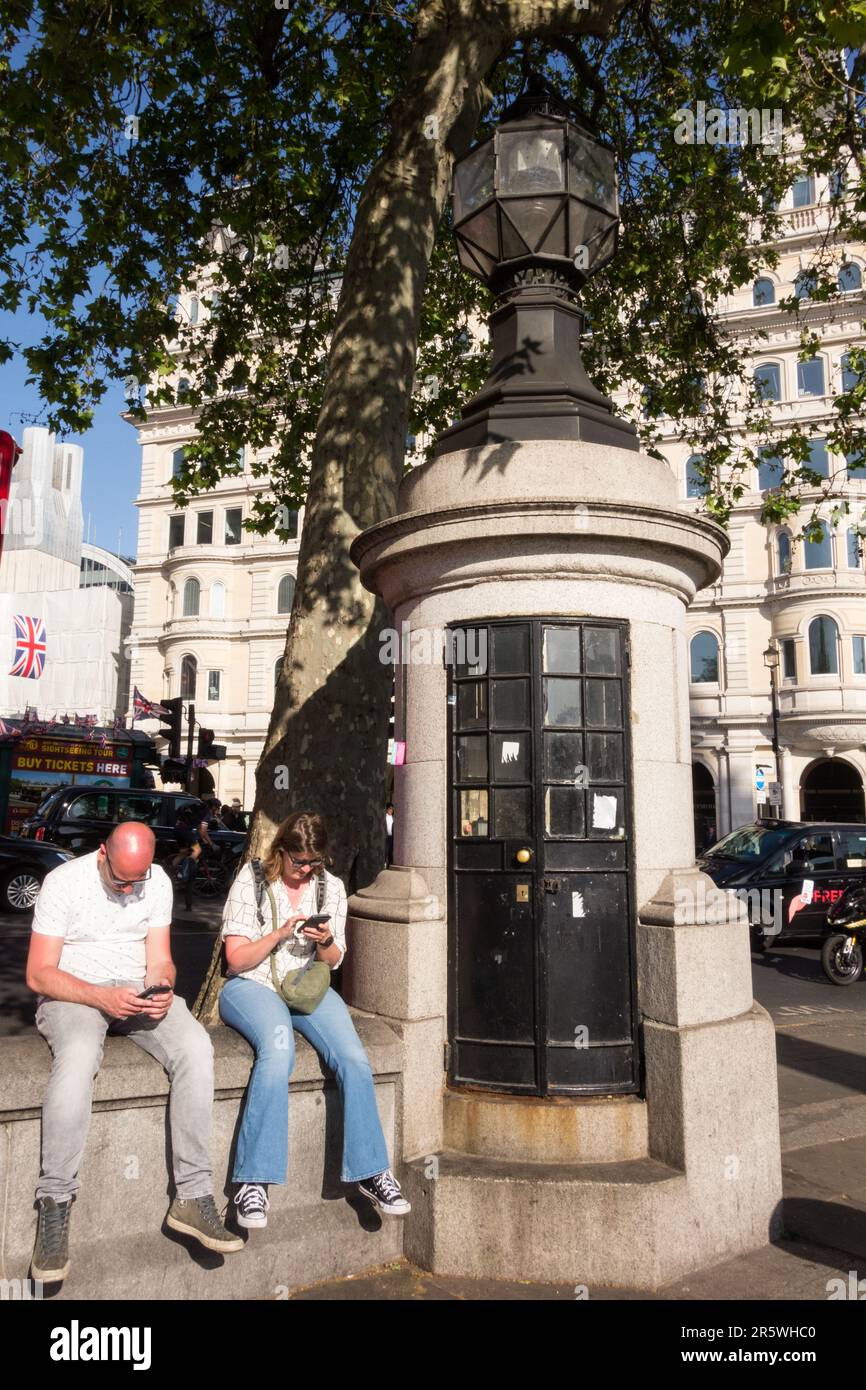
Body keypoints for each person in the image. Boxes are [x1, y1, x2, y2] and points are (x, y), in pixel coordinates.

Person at [25, 822, 242, 1283]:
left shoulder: (156, 880)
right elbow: (39, 974)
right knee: (80, 1055)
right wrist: (100, 998)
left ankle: (192, 1195)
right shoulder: (63, 883)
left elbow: (160, 956)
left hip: (137, 994)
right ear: (102, 853)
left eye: (136, 880)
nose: (128, 888)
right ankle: (55, 1201)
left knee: (195, 1047)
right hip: (73, 995)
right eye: (119, 879)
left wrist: (162, 983)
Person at [218, 811, 410, 1228]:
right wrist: (277, 935)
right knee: (278, 1050)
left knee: (354, 1058)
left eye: (313, 863)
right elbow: (234, 960)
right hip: (253, 984)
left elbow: (335, 960)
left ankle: (373, 1170)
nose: (305, 871)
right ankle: (253, 1181)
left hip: (306, 987)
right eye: (298, 862)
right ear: (281, 851)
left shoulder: (331, 887)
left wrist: (324, 943)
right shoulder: (252, 880)